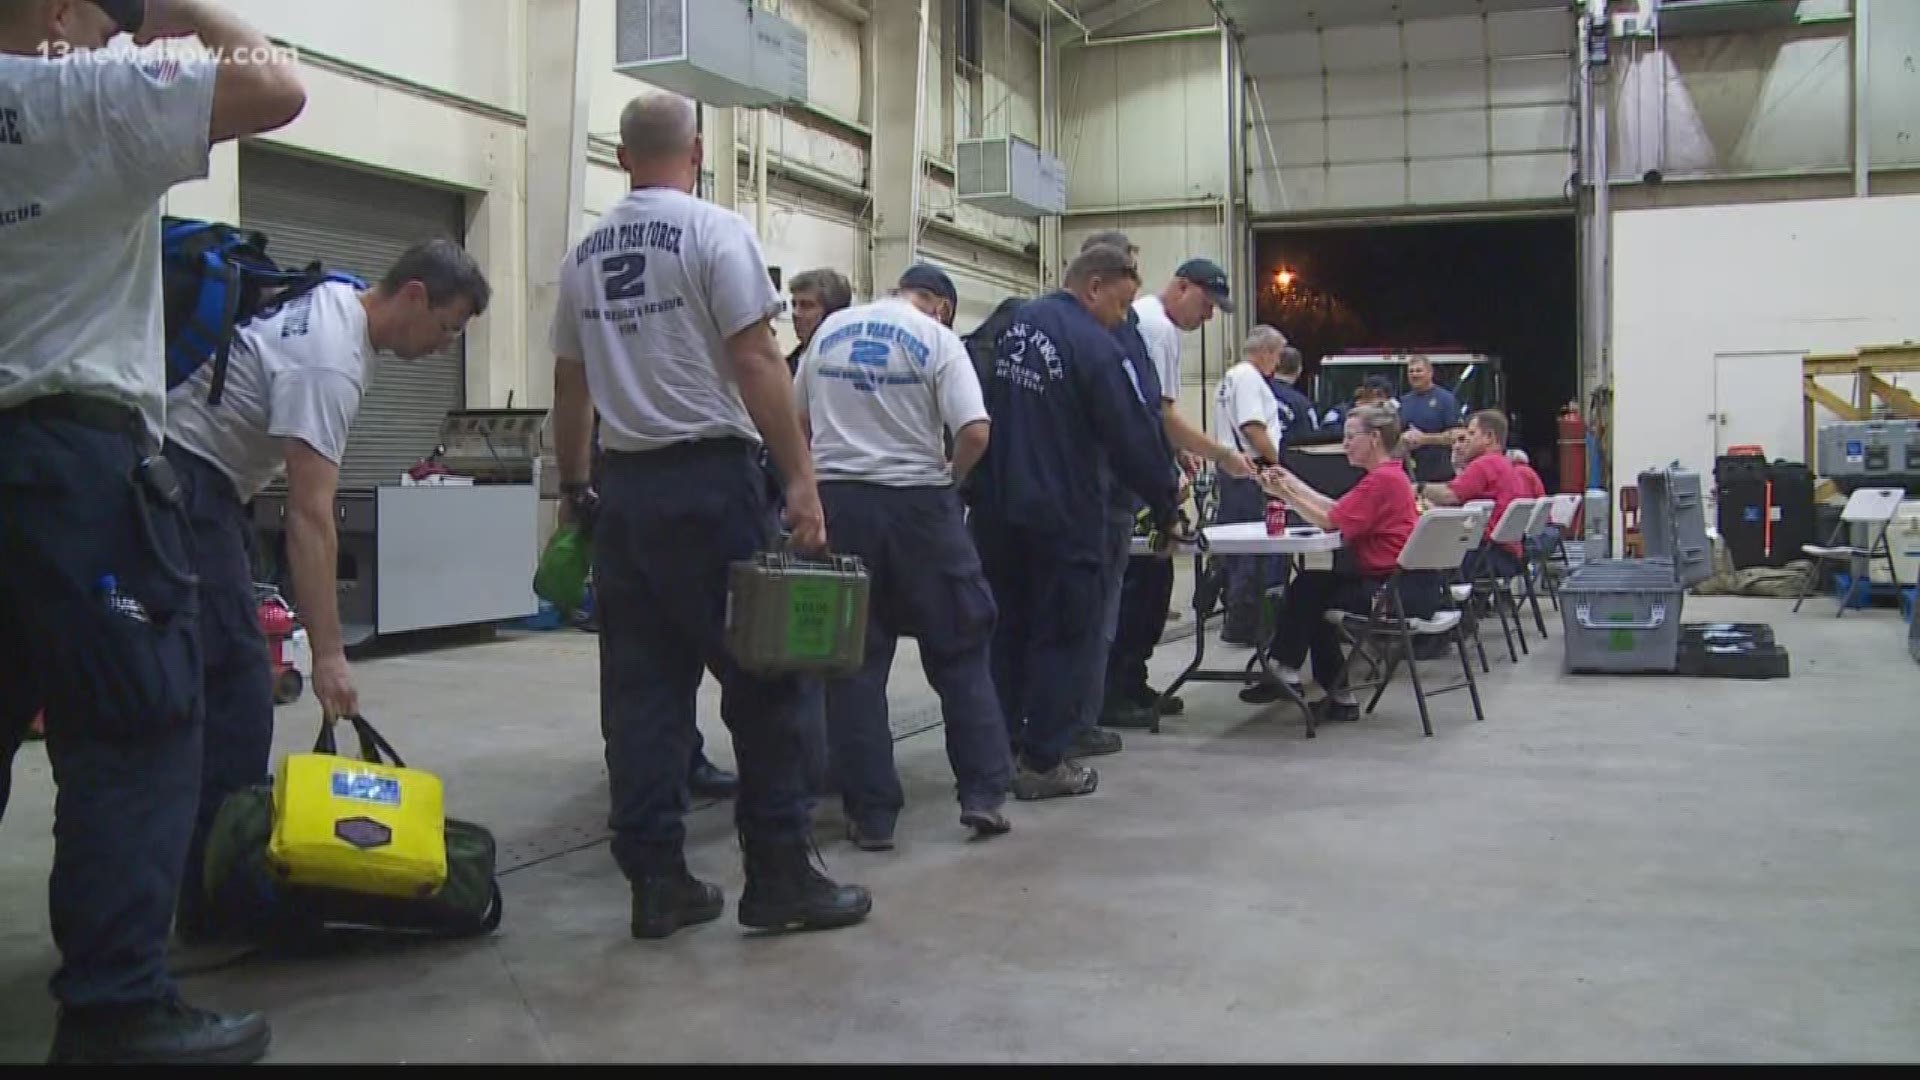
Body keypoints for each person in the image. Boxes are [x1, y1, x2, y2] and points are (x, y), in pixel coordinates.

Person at [0, 0, 304, 1063]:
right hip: (71, 458)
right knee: (135, 724)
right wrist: (176, 10)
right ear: (57, 9)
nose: (123, 35)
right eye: (109, 13)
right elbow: (278, 83)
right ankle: (117, 1008)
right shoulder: (79, 91)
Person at [548, 91, 870, 940]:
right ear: (696, 152)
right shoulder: (713, 230)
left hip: (626, 494)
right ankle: (778, 876)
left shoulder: (582, 252)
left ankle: (656, 883)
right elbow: (757, 358)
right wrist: (801, 481)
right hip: (712, 485)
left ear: (622, 158)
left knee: (643, 693)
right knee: (769, 682)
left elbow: (571, 384)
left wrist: (576, 489)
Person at [164, 241, 491, 939]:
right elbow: (310, 521)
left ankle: (196, 884)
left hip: (200, 485)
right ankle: (212, 899)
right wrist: (332, 655)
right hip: (186, 486)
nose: (444, 347)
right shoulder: (331, 359)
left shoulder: (335, 303)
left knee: (212, 684)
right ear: (413, 297)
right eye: (448, 327)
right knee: (238, 695)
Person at [794, 263, 1012, 850]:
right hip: (920, 506)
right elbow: (975, 430)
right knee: (961, 649)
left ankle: (872, 815)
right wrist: (949, 478)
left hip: (840, 507)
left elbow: (796, 425)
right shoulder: (938, 339)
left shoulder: (829, 333)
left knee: (854, 666)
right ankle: (984, 794)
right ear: (939, 305)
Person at [970, 244, 1180, 801]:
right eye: (1121, 303)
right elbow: (1133, 435)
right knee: (1064, 636)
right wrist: (1166, 500)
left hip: (997, 512)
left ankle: (1004, 751)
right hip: (1064, 516)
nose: (1124, 318)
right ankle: (1043, 762)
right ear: (1094, 287)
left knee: (1007, 634)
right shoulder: (1096, 347)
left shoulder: (1010, 326)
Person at [1239, 405, 1438, 719]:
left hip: (1391, 594)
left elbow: (1330, 521)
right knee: (1314, 588)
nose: (1344, 444)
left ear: (1374, 438)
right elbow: (1336, 509)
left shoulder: (1381, 481)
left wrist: (1283, 493)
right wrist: (1289, 481)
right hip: (1401, 586)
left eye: (1350, 436)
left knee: (1310, 591)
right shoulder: (1389, 476)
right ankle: (1315, 685)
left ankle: (1288, 672)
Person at [1213, 325, 1291, 645]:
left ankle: (1240, 618)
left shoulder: (1231, 377)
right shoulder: (1247, 378)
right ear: (1265, 352)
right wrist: (1276, 462)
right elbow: (1253, 426)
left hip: (1234, 470)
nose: (1277, 363)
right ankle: (1247, 622)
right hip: (1250, 470)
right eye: (1277, 355)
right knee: (1253, 545)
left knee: (1239, 546)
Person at [1419, 410, 1525, 583]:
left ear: (1489, 437)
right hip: (1507, 554)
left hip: (1485, 556)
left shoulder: (1484, 463)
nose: (1467, 439)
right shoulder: (1504, 464)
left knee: (1421, 553)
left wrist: (1418, 488)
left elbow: (1450, 495)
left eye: (1471, 433)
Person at [1396, 355, 1464, 484]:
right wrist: (1403, 439)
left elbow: (1458, 435)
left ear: (1430, 373)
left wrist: (1425, 439)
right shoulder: (1404, 401)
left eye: (1419, 370)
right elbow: (1395, 434)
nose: (1414, 374)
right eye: (1411, 371)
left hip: (1440, 474)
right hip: (1409, 475)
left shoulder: (1446, 399)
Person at [785, 267, 851, 373]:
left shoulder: (849, 368)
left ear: (832, 312)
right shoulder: (783, 369)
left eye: (806, 305)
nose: (795, 313)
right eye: (794, 305)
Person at [1267, 344, 1317, 443]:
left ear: (1273, 365)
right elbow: (1312, 437)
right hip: (1291, 456)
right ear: (1299, 369)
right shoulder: (1302, 403)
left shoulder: (1257, 394)